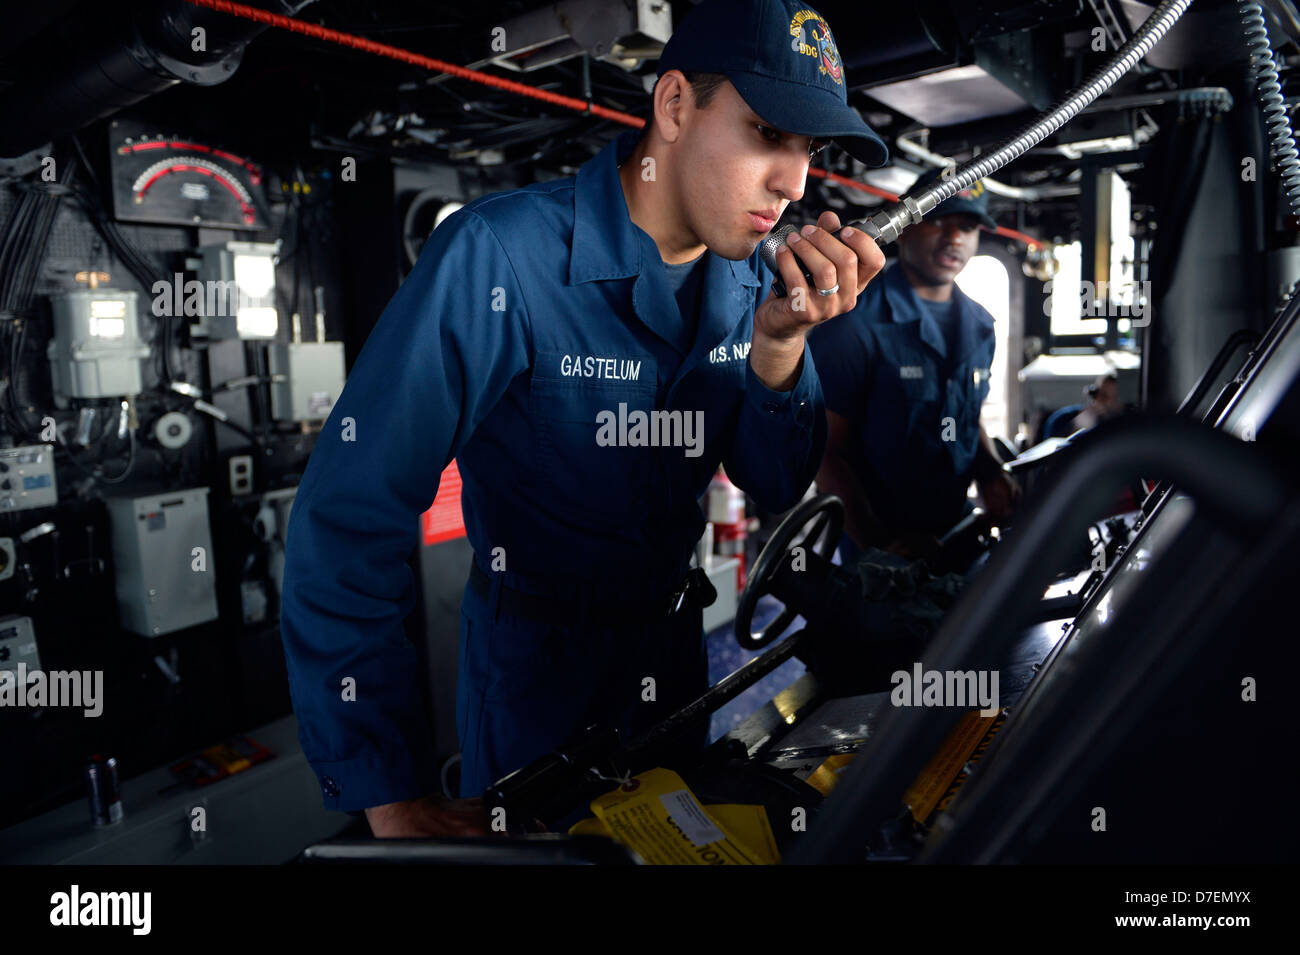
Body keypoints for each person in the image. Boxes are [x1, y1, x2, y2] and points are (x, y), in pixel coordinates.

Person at [280, 0, 888, 838]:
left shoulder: (752, 282)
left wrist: (780, 347)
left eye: (808, 149)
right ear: (674, 105)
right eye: (765, 132)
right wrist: (390, 792)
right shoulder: (501, 258)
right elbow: (350, 510)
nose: (794, 182)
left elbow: (777, 477)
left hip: (672, 670)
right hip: (537, 683)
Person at [809, 168, 1018, 568]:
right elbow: (827, 452)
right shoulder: (854, 323)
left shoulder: (980, 326)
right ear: (904, 228)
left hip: (957, 532)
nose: (955, 237)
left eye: (967, 226)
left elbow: (967, 416)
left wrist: (992, 471)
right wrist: (880, 545)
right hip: (879, 545)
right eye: (939, 219)